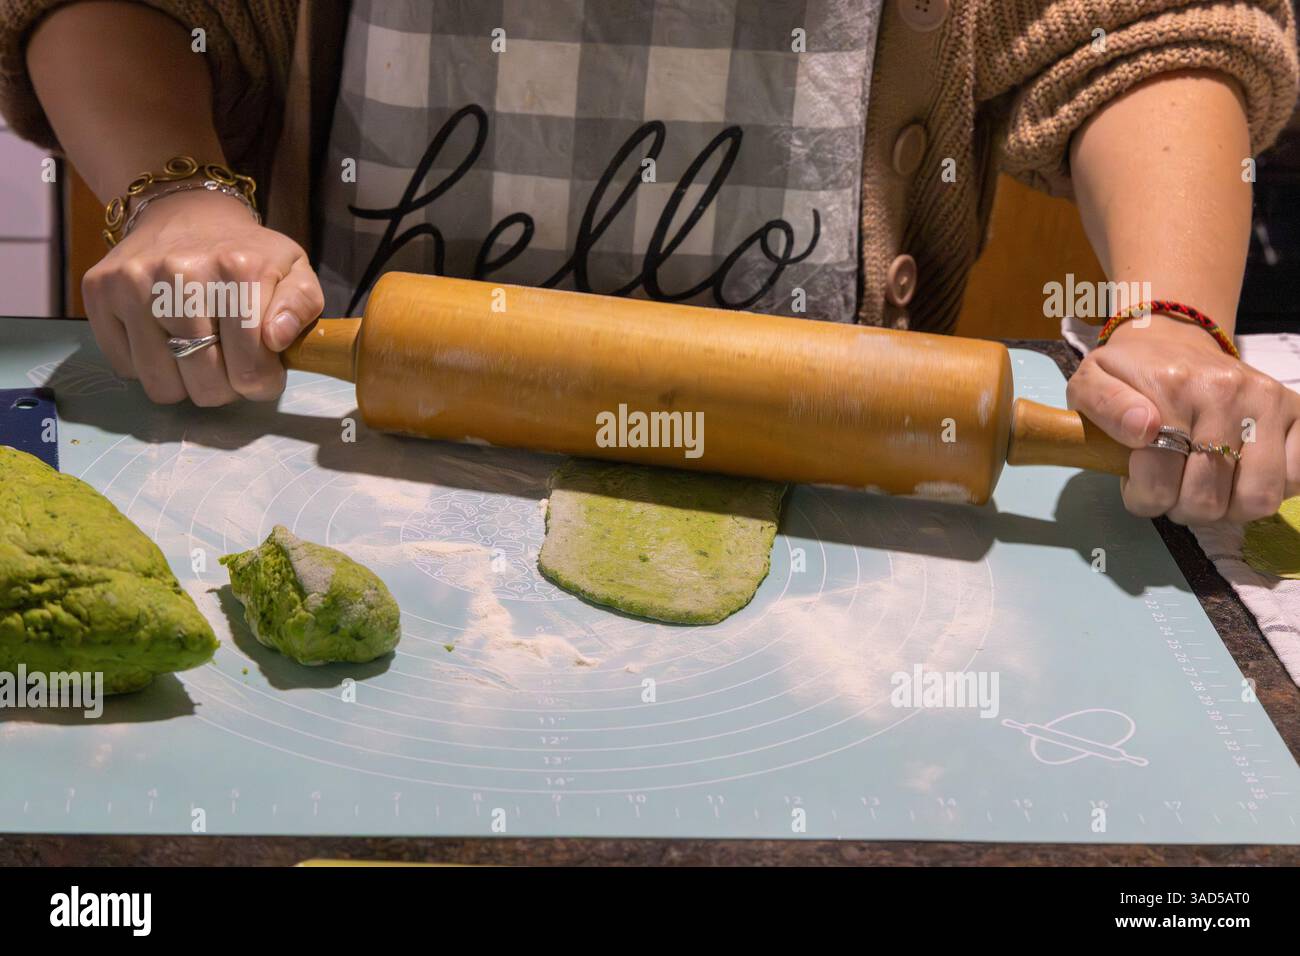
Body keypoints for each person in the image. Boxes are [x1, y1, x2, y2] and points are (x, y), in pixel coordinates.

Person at [2, 0, 1298, 526]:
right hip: (343, 429)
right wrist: (175, 195)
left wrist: (1171, 318)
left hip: (837, 479)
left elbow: (1143, 31)